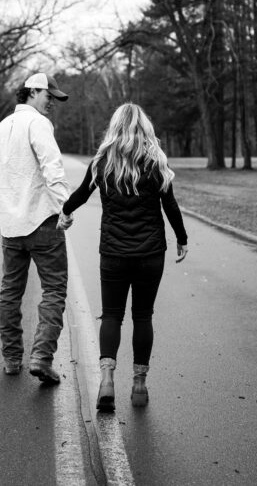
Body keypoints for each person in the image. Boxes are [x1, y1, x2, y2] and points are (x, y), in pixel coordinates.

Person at [59, 103, 188, 411]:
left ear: (115, 127)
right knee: (143, 316)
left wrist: (65, 212)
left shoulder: (103, 160)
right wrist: (182, 239)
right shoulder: (156, 161)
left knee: (112, 315)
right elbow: (170, 205)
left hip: (114, 253)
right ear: (145, 128)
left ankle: (106, 380)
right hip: (150, 253)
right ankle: (140, 385)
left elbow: (80, 195)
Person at [0, 72, 74, 385]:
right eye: (49, 96)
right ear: (32, 91)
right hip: (42, 223)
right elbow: (53, 168)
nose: (51, 102)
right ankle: (41, 357)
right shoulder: (37, 123)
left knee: (10, 292)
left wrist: (9, 204)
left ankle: (12, 359)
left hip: (11, 228)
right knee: (54, 289)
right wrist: (67, 206)